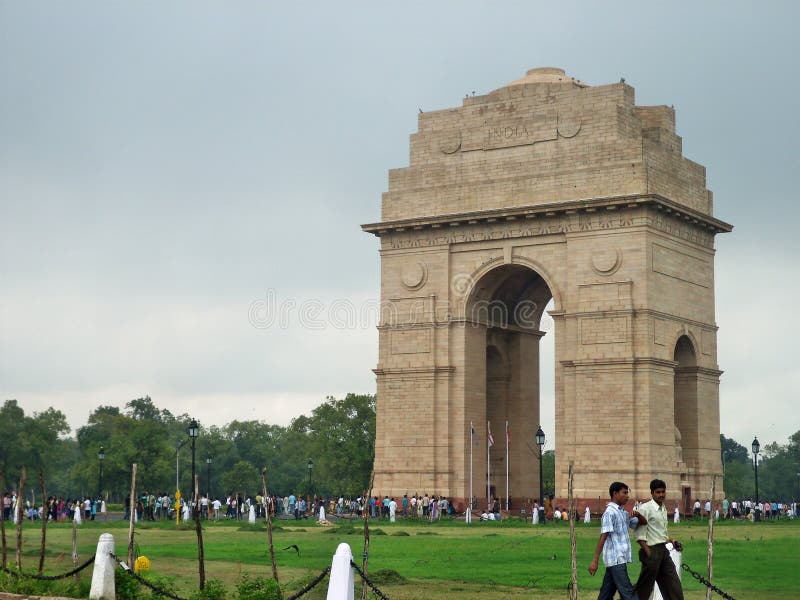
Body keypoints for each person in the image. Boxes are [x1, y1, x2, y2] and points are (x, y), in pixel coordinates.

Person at [589, 482, 644, 599]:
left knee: (605, 595)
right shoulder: (610, 513)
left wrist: (638, 515)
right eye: (624, 493)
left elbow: (642, 523)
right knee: (628, 593)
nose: (627, 496)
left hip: (617, 560)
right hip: (616, 559)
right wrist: (595, 560)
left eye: (627, 493)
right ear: (615, 493)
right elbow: (603, 537)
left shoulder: (622, 513)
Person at [634, 479, 684, 600]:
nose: (661, 494)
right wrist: (648, 553)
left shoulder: (663, 508)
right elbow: (639, 535)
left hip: (663, 550)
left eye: (663, 492)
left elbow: (660, 533)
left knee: (673, 586)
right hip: (651, 550)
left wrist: (671, 540)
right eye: (658, 492)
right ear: (652, 493)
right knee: (644, 589)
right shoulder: (645, 508)